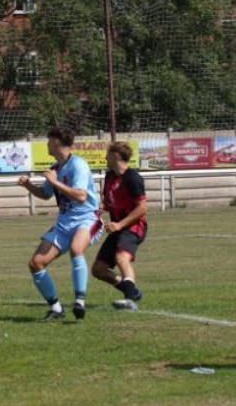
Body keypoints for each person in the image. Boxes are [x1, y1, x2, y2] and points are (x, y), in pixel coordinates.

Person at [17, 126, 102, 321]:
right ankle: (56, 308)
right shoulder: (55, 168)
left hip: (86, 217)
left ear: (56, 142)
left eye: (48, 141)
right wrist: (28, 185)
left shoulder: (78, 164)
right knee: (36, 263)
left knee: (76, 249)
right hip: (64, 222)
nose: (47, 144)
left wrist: (54, 182)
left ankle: (79, 301)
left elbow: (81, 196)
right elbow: (45, 194)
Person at [91, 141, 148, 310]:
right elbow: (110, 202)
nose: (105, 157)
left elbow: (142, 208)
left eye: (108, 154)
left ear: (115, 156)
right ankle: (131, 290)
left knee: (121, 257)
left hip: (133, 225)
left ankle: (130, 300)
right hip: (117, 227)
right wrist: (100, 208)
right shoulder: (110, 176)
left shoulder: (132, 178)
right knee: (98, 270)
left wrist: (120, 224)